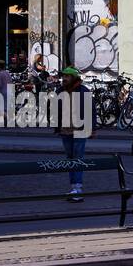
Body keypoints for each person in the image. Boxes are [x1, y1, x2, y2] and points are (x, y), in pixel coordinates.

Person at [55, 67, 89, 202]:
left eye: (67, 76)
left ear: (74, 78)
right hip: (65, 131)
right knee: (70, 159)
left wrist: (92, 128)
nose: (64, 78)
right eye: (63, 76)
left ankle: (78, 189)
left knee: (77, 158)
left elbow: (90, 110)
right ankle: (74, 187)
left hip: (80, 130)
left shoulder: (83, 91)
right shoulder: (59, 91)